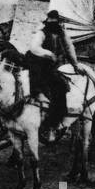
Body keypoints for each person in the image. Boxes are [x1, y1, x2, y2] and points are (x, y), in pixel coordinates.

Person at [26, 10, 79, 141]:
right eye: (51, 23)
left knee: (60, 89)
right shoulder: (41, 33)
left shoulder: (62, 33)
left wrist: (75, 65)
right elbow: (34, 48)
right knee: (44, 83)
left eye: (55, 23)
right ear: (47, 22)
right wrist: (48, 54)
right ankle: (37, 98)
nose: (53, 25)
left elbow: (69, 49)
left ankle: (53, 125)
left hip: (52, 68)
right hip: (38, 66)